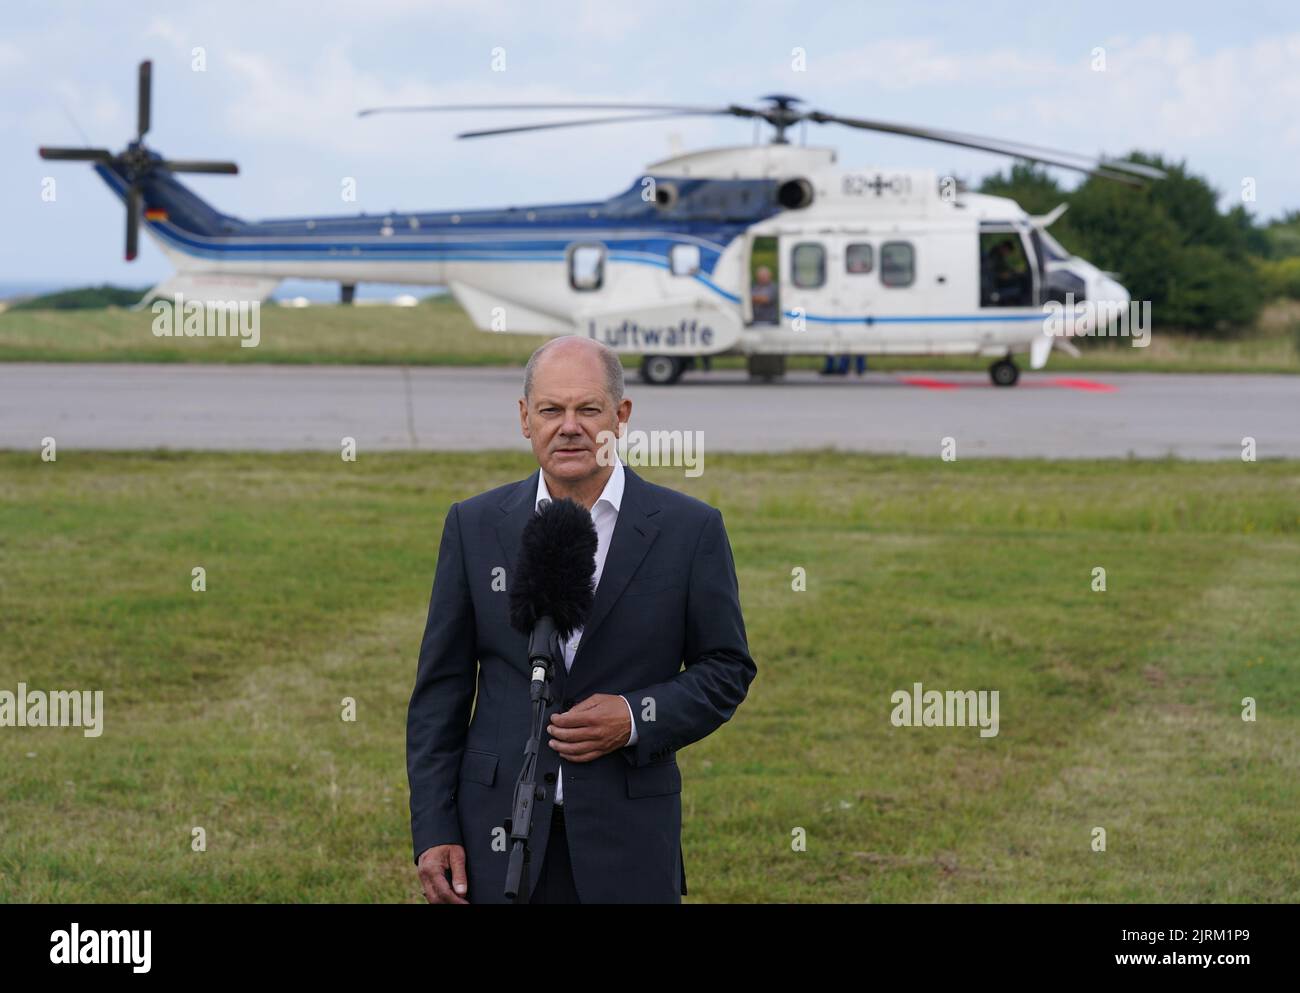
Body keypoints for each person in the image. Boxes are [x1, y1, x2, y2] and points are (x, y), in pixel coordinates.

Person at [407, 335, 757, 904]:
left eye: (587, 409)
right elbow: (439, 693)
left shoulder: (689, 530)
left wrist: (634, 715)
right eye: (550, 410)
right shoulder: (473, 526)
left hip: (628, 843)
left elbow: (726, 668)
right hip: (496, 842)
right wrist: (435, 829)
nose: (568, 426)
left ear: (620, 416)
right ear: (525, 418)